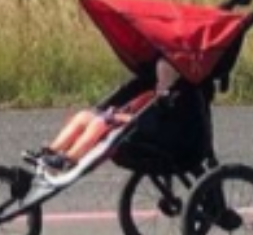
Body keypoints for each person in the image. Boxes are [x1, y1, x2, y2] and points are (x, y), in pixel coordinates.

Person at [25, 59, 179, 172]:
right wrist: (114, 113)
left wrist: (118, 117)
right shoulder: (150, 95)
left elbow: (145, 120)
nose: (160, 85)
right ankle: (51, 151)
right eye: (160, 80)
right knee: (83, 116)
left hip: (135, 130)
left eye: (164, 82)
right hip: (119, 122)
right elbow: (131, 108)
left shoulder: (166, 103)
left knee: (99, 123)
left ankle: (69, 159)